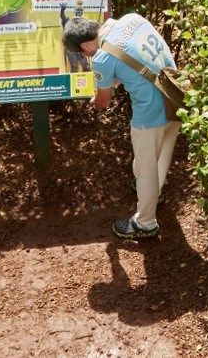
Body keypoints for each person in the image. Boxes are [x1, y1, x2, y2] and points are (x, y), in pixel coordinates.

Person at [62, 12, 181, 241]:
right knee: (162, 154)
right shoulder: (132, 20)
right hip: (173, 98)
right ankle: (155, 196)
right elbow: (131, 63)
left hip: (149, 114)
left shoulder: (102, 58)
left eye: (80, 52)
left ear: (86, 44)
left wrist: (94, 100)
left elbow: (103, 101)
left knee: (145, 168)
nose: (83, 56)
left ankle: (145, 224)